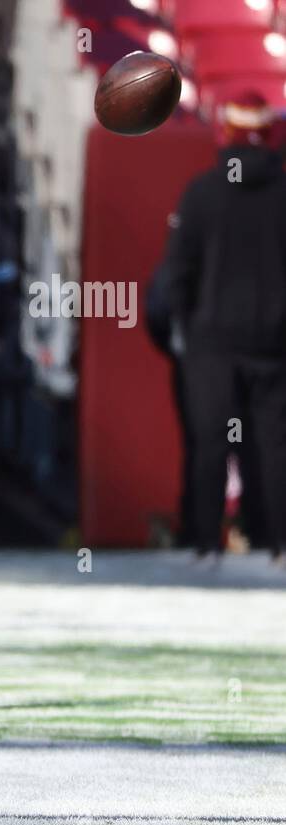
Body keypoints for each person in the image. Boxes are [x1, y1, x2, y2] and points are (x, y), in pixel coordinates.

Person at [161, 90, 286, 563]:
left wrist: (187, 332)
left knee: (211, 442)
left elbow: (178, 273)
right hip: (275, 343)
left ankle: (204, 543)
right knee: (275, 446)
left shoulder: (201, 193)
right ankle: (277, 542)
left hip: (211, 341)